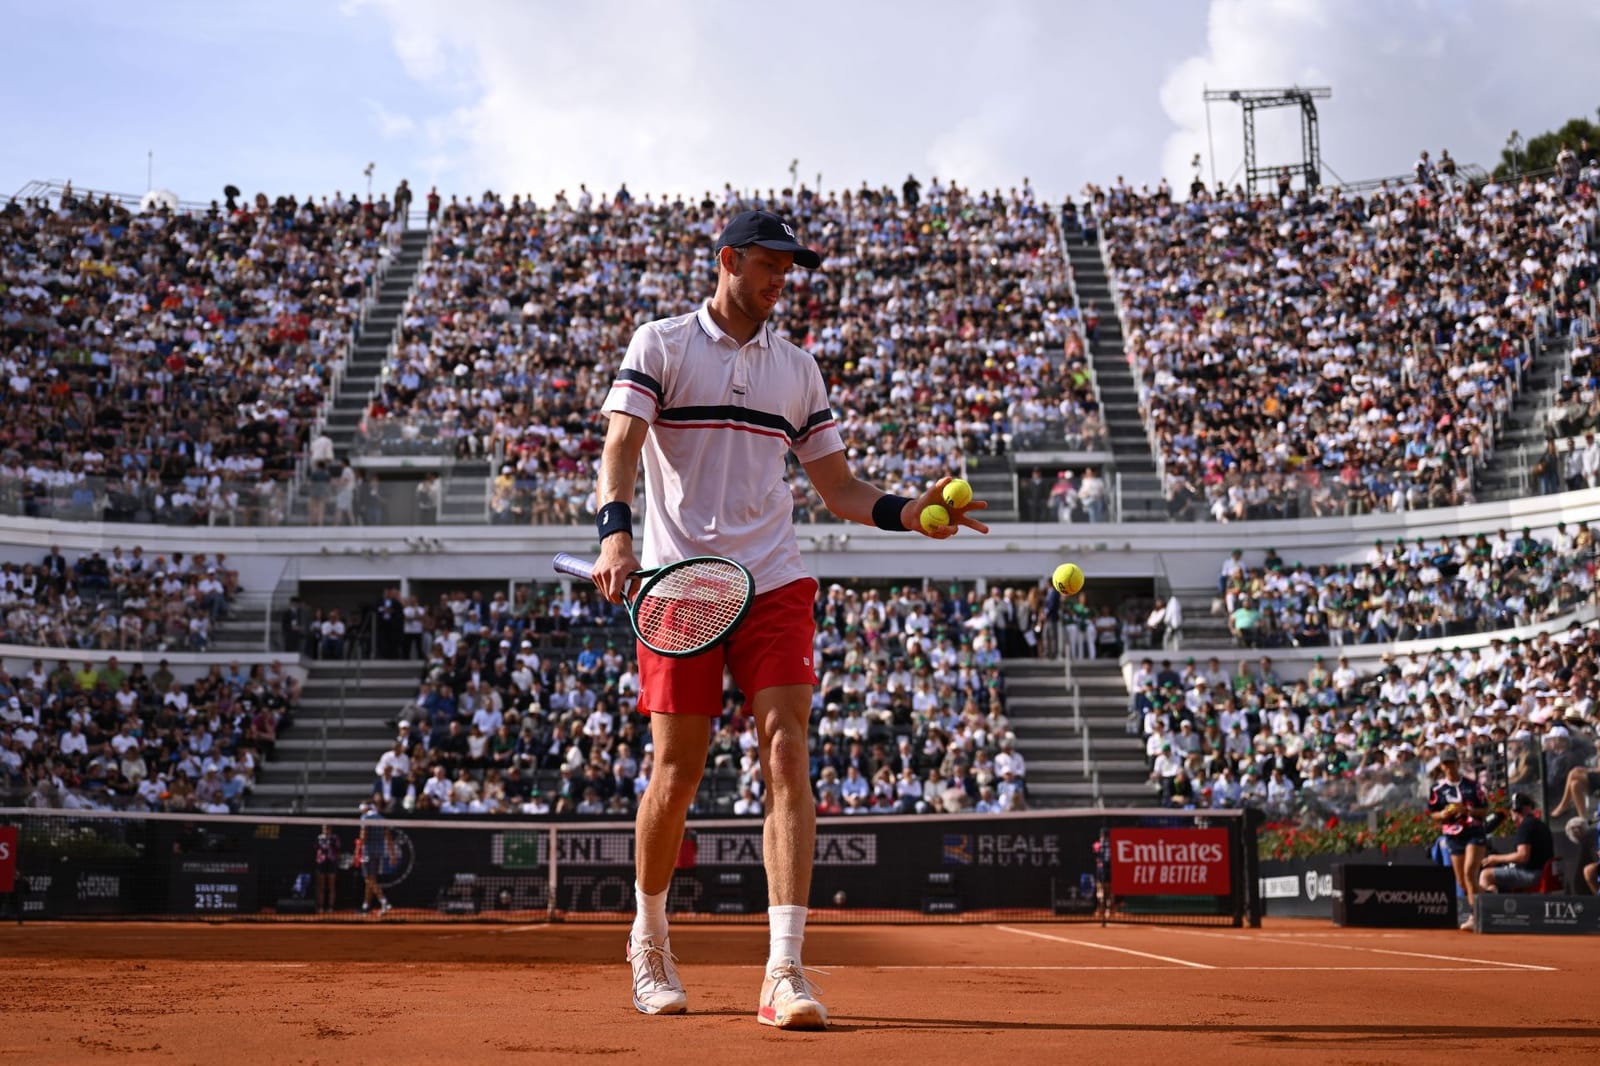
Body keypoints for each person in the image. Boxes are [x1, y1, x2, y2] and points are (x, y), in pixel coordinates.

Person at [591, 209, 988, 1029]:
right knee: (679, 769)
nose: (783, 280)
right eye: (771, 265)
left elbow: (837, 488)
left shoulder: (798, 369)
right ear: (729, 261)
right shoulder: (659, 345)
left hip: (774, 582)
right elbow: (622, 447)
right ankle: (650, 938)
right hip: (680, 584)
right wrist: (616, 534)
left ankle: (783, 970)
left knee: (788, 749)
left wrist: (909, 511)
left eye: (790, 269)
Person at [1426, 748, 1489, 929]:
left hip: (1474, 832)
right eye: (1445, 764)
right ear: (1441, 766)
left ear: (1457, 764)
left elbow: (1484, 810)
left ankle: (1475, 916)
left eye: (1451, 763)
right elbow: (1433, 814)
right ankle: (1490, 895)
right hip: (1453, 835)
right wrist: (1445, 813)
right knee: (1462, 880)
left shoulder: (1472, 785)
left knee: (1470, 872)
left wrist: (1467, 810)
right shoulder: (1437, 789)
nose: (1449, 767)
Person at [1478, 794, 1554, 895]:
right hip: (1543, 872)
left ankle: (1491, 907)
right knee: (1500, 870)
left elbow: (1523, 856)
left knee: (1486, 875)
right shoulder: (1540, 824)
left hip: (1532, 874)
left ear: (1515, 809)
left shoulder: (1526, 826)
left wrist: (1495, 859)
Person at [313, 824, 341, 914]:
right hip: (321, 864)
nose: (326, 830)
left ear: (330, 829)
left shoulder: (334, 838)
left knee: (331, 886)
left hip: (331, 864)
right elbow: (316, 849)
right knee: (321, 886)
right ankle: (321, 907)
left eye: (328, 828)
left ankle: (330, 907)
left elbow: (338, 848)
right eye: (324, 828)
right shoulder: (319, 838)